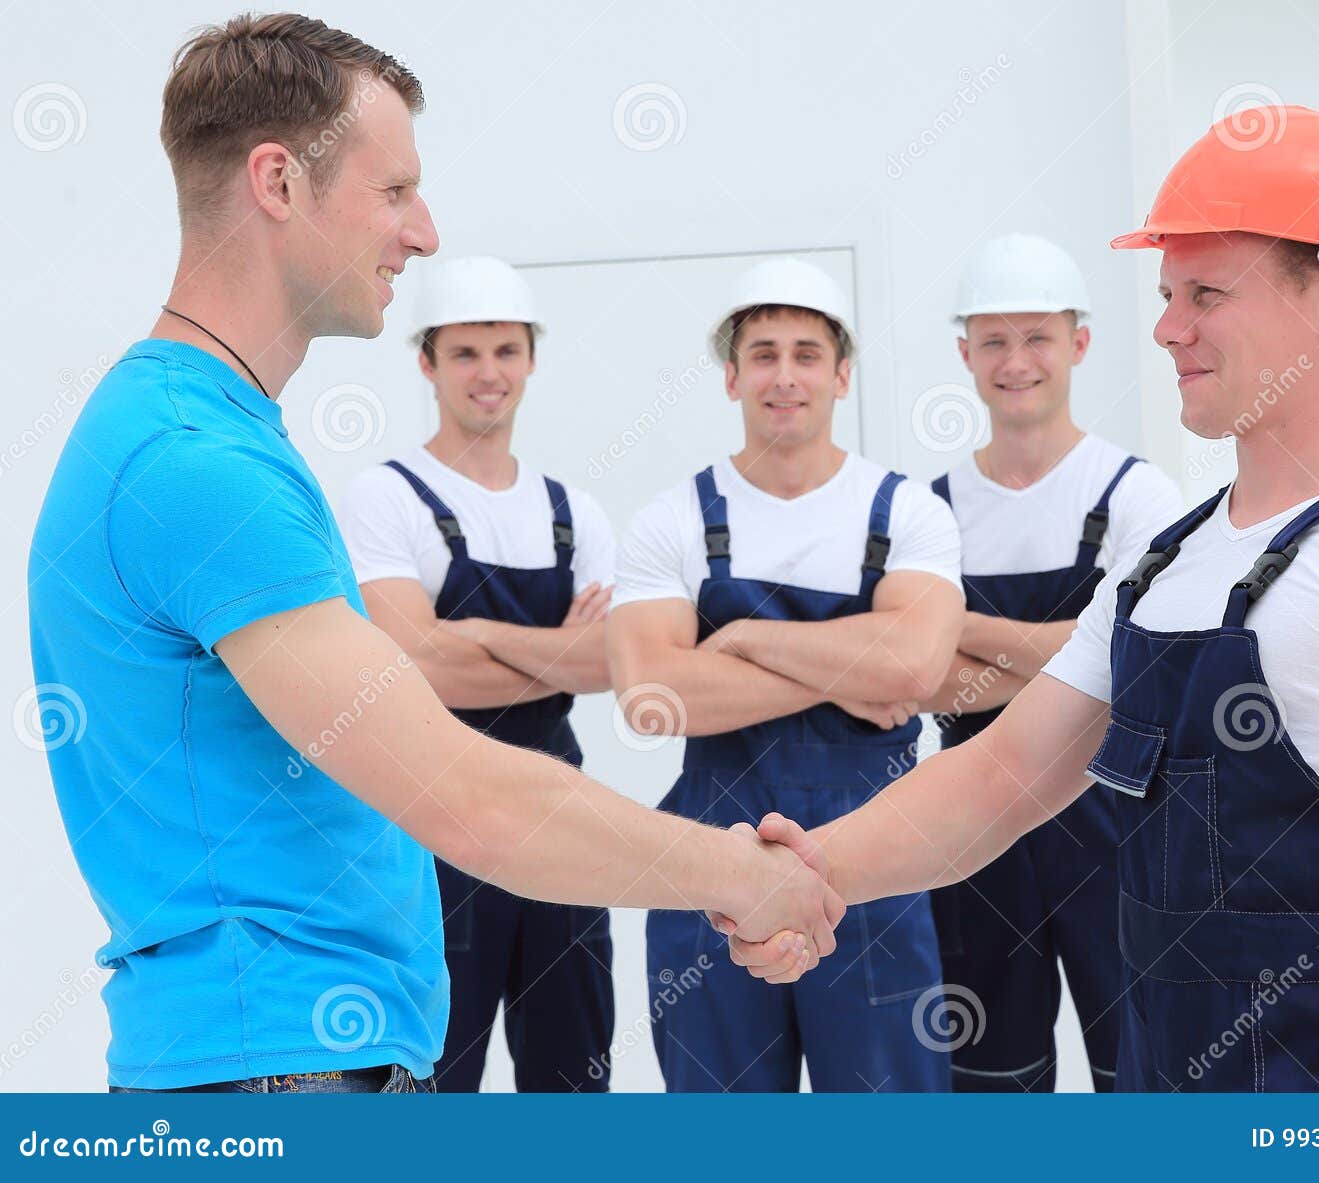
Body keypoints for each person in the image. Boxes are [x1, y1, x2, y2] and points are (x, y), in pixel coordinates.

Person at [27, 12, 838, 1095]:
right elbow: (464, 793)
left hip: (289, 1060)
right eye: (394, 190)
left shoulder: (210, 435)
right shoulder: (192, 460)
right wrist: (738, 875)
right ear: (279, 182)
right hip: (279, 1074)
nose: (424, 232)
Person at [725, 106, 1319, 1093]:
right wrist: (805, 873)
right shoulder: (1163, 566)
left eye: (1206, 292)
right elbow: (999, 778)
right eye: (1168, 294)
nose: (1169, 328)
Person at [607, 258, 965, 1092]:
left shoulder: (906, 510)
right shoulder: (674, 518)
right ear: (731, 375)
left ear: (842, 373)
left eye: (807, 353)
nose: (784, 375)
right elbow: (654, 699)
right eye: (762, 353)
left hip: (879, 854)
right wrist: (854, 667)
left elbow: (915, 664)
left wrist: (735, 640)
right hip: (709, 850)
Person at [338, 256, 618, 1092]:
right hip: (435, 825)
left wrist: (467, 641)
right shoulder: (385, 497)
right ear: (426, 361)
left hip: (562, 818)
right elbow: (412, 667)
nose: (488, 373)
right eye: (465, 353)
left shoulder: (575, 511)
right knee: (436, 1073)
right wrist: (556, 651)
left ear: (531, 358)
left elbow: (615, 663)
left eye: (505, 350)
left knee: (572, 1074)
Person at [924, 233, 1182, 1092]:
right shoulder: (927, 511)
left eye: (1037, 336)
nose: (1016, 360)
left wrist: (960, 626)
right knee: (990, 1083)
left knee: (1136, 1070)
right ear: (965, 352)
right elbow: (916, 670)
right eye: (994, 340)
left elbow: (1132, 662)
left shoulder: (1139, 494)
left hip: (1110, 818)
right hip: (970, 823)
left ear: (1079, 342)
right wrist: (1071, 649)